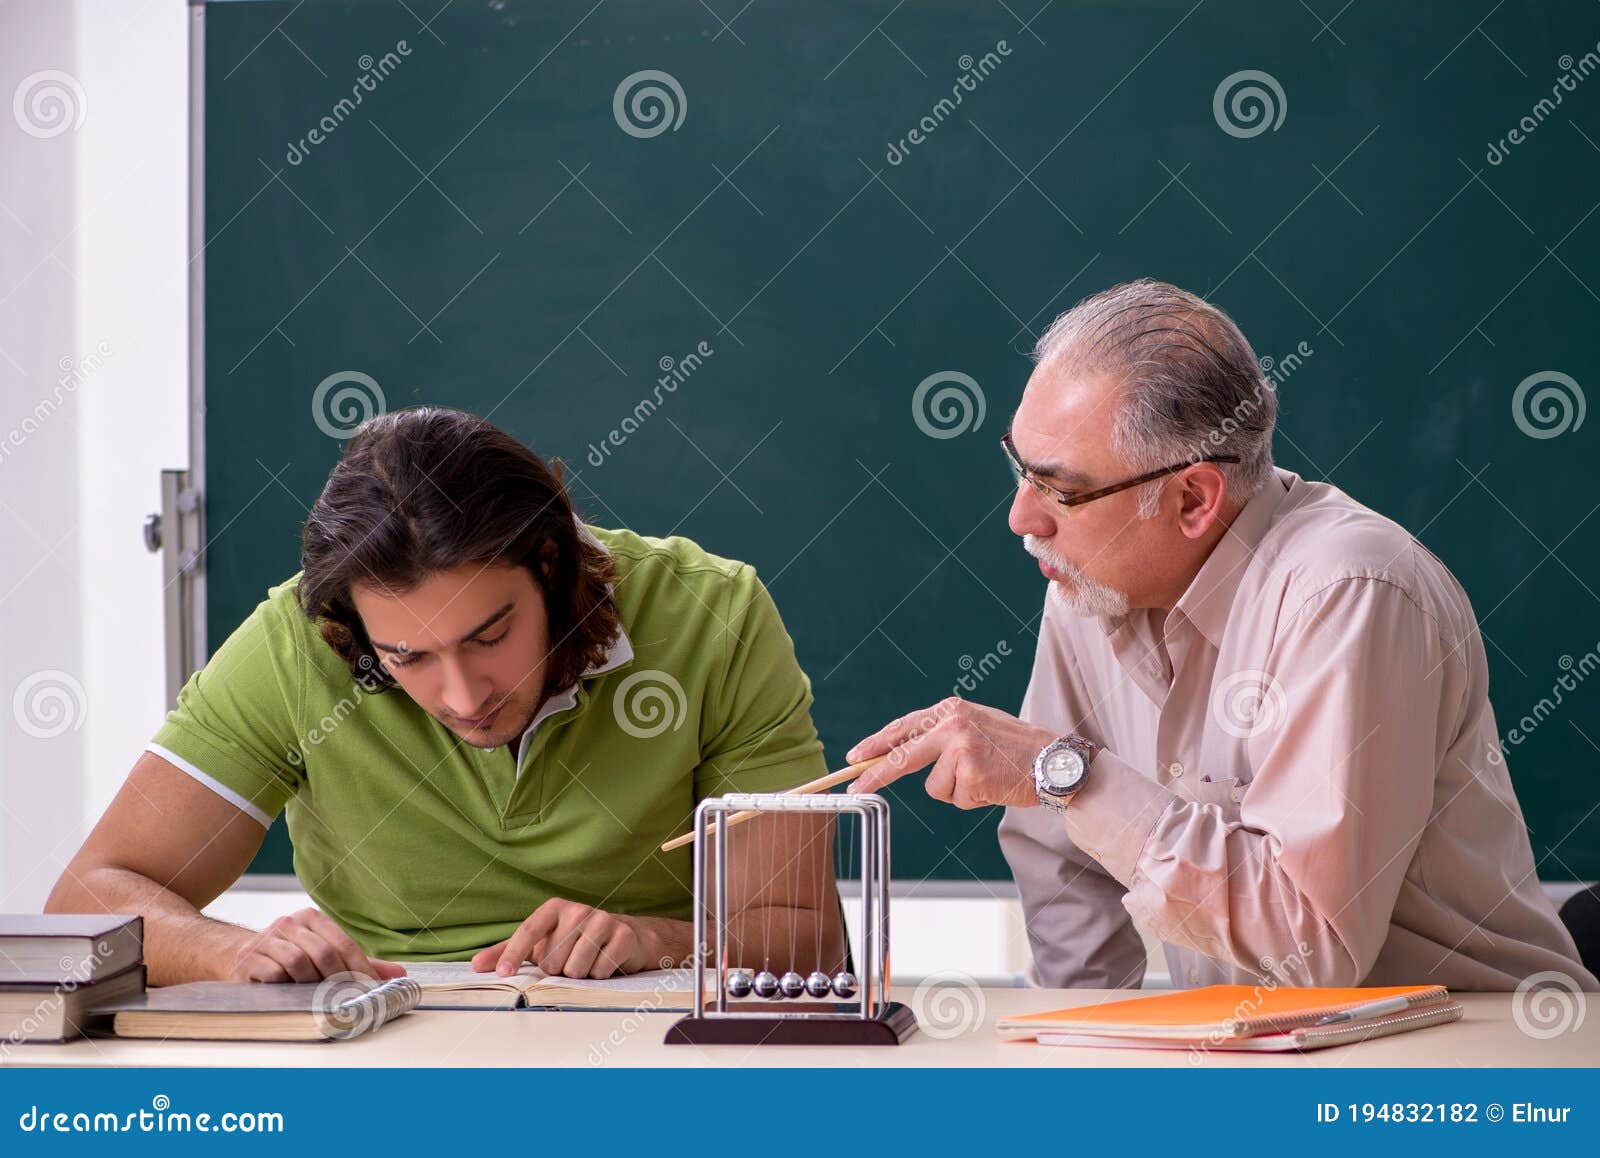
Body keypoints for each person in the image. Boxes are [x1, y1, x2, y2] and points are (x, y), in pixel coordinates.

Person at [848, 279, 1597, 992]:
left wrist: (1065, 773)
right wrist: (1066, 1057)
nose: (1021, 519)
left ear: (1194, 498)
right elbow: (1062, 866)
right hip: (1254, 1054)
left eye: (1062, 491)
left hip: (1462, 1054)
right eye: (1019, 469)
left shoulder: (1350, 592)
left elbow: (1312, 947)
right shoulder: (1087, 582)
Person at [48, 406, 844, 985]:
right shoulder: (296, 641)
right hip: (392, 1042)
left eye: (489, 636)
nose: (463, 696)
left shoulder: (714, 612)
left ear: (553, 567)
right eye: (408, 656)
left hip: (652, 1031)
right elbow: (88, 902)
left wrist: (661, 939)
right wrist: (231, 950)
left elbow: (810, 940)